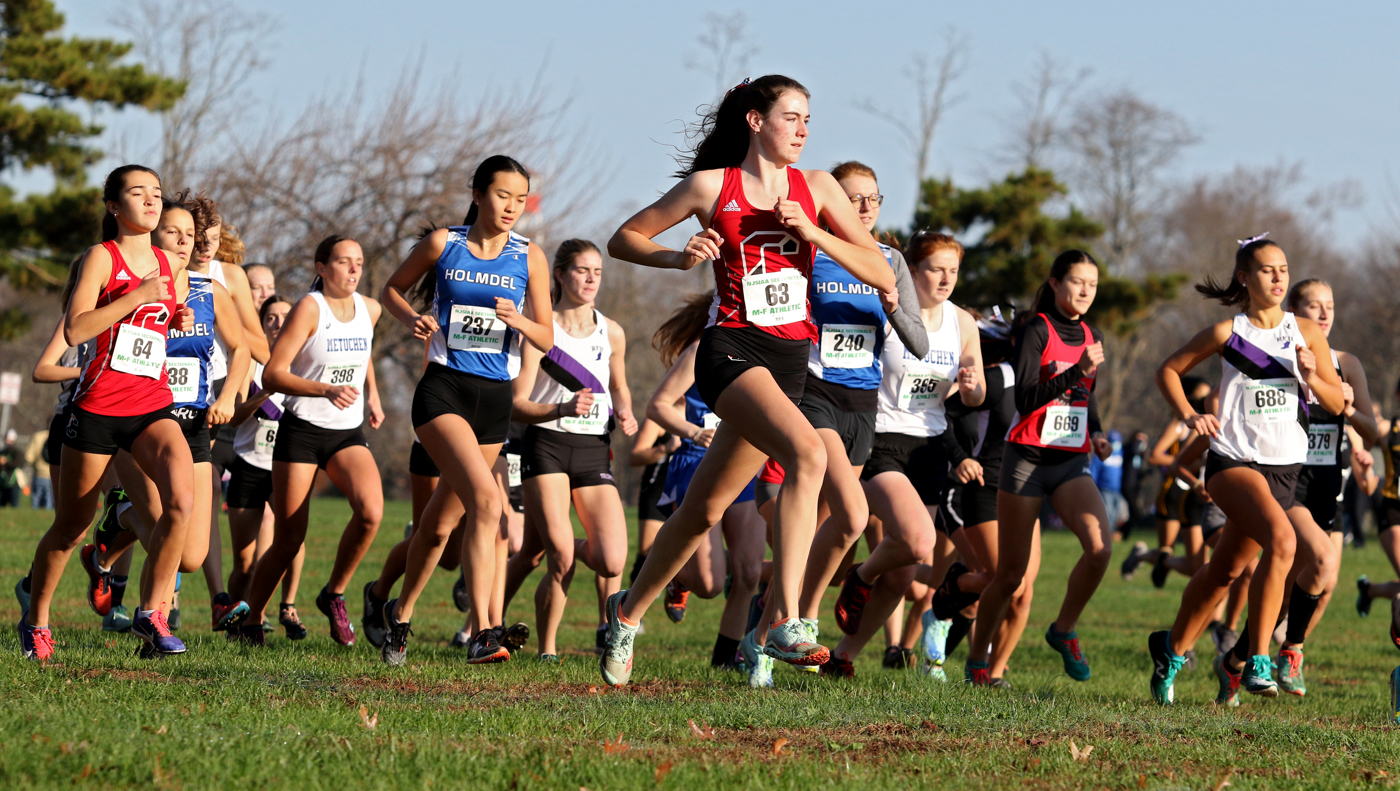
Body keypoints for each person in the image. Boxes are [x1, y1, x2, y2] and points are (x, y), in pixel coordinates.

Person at [599, 74, 896, 687]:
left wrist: (814, 232)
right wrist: (676, 256)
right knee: (807, 450)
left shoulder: (818, 189)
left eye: (809, 119)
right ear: (756, 122)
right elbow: (624, 238)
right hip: (731, 350)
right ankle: (790, 621)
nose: (803, 130)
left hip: (789, 362)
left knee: (703, 508)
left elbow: (880, 269)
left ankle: (625, 613)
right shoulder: (713, 186)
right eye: (791, 117)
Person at [740, 161, 930, 687]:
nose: (865, 207)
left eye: (873, 198)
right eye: (854, 198)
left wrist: (894, 305)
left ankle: (761, 636)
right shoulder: (810, 250)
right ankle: (802, 619)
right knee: (853, 515)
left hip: (861, 404)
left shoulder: (889, 260)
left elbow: (918, 342)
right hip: (813, 393)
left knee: (817, 532)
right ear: (831, 203)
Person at [1148, 234, 1344, 705]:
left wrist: (1312, 373)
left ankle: (1170, 650)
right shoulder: (1227, 333)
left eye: (1283, 268)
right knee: (1283, 542)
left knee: (1225, 571)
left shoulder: (1306, 333)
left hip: (1284, 473)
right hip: (1233, 461)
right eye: (1266, 269)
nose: (1278, 277)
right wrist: (1189, 415)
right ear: (1244, 277)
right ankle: (1257, 661)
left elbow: (1335, 404)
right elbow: (1169, 370)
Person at [373, 155, 553, 665]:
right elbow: (391, 289)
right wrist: (413, 318)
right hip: (443, 392)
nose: (512, 207)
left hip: (494, 399)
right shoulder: (443, 244)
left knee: (437, 527)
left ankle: (400, 615)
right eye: (503, 196)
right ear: (477, 193)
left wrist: (520, 320)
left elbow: (547, 334)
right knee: (488, 503)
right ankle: (483, 632)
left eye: (521, 199)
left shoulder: (530, 257)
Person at [18, 165, 196, 661]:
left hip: (152, 405)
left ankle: (151, 612)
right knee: (71, 526)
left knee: (180, 503)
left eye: (156, 193)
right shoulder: (102, 258)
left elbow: (165, 322)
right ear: (114, 206)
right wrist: (137, 295)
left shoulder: (170, 263)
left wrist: (176, 315)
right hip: (97, 408)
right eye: (138, 193)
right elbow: (76, 330)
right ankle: (36, 620)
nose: (152, 200)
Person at [82, 196, 252, 647]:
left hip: (193, 423)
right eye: (173, 233)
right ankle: (153, 622)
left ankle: (117, 523)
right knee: (162, 521)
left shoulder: (209, 291)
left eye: (191, 236)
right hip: (140, 419)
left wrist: (231, 394)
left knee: (192, 556)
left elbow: (243, 350)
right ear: (153, 236)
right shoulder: (125, 283)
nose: (184, 243)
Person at [819, 230, 983, 681]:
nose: (946, 279)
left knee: (904, 572)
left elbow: (976, 394)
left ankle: (844, 656)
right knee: (917, 542)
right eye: (936, 269)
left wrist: (971, 387)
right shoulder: (887, 312)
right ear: (912, 271)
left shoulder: (962, 322)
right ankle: (860, 576)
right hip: (881, 439)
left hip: (929, 447)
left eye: (953, 270)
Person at [965, 250, 1113, 686]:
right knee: (1011, 574)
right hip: (1027, 460)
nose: (1085, 291)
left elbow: (1088, 395)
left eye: (1093, 284)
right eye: (1077, 282)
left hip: (1070, 461)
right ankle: (978, 663)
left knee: (1101, 548)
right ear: (1055, 283)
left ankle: (1063, 629)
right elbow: (1026, 398)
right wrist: (1076, 371)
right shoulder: (1035, 329)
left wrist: (1100, 432)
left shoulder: (1092, 333)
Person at [233, 234, 385, 646]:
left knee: (371, 512)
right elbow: (273, 374)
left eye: (359, 261)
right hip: (302, 430)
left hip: (346, 432)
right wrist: (325, 389)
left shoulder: (369, 309)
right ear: (322, 268)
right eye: (343, 261)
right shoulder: (308, 308)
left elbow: (362, 349)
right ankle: (250, 620)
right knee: (288, 539)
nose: (354, 269)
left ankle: (333, 593)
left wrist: (372, 394)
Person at [509, 239, 639, 661]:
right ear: (561, 275)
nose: (590, 279)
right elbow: (518, 402)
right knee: (559, 556)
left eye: (597, 272)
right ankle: (547, 650)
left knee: (609, 559)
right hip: (545, 446)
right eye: (582, 270)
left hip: (593, 450)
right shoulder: (539, 331)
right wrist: (561, 407)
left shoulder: (612, 331)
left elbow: (617, 383)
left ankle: (482, 614)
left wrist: (625, 411)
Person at [646, 292, 765, 673]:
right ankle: (677, 572)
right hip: (698, 461)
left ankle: (725, 660)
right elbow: (658, 405)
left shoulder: (771, 349)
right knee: (710, 584)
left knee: (748, 572)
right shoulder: (702, 347)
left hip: (744, 462)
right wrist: (694, 432)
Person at [224, 296, 303, 637]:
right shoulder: (249, 364)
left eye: (284, 317)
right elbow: (234, 417)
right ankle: (232, 618)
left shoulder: (304, 363)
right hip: (248, 467)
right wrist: (264, 393)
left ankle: (267, 613)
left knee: (285, 544)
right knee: (243, 563)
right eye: (269, 317)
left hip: (286, 467)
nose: (277, 323)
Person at [24, 429, 52, 509]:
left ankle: (34, 518)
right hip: (53, 474)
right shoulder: (61, 434)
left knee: (36, 500)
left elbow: (29, 457)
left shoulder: (38, 436)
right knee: (49, 500)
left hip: (39, 474)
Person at [0, 430, 20, 507]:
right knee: (2, 504)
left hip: (13, 481)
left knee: (14, 504)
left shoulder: (17, 452)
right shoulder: (3, 451)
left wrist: (6, 462)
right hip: (2, 482)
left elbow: (18, 464)